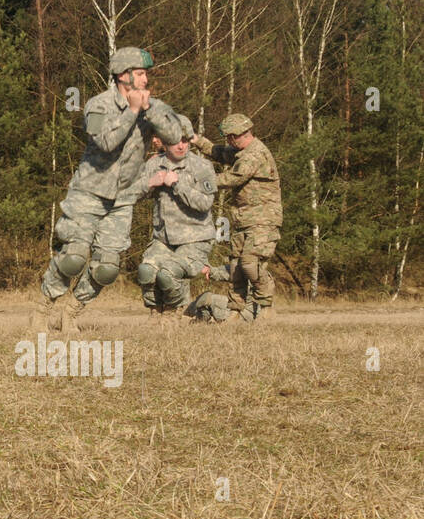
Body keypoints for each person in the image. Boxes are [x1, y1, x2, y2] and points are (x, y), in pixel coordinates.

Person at [31, 47, 182, 338]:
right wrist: (134, 111)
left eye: (145, 73)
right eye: (140, 73)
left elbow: (175, 137)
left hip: (123, 198)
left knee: (107, 268)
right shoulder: (96, 106)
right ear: (123, 76)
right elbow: (105, 143)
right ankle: (43, 308)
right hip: (88, 193)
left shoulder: (154, 106)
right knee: (74, 257)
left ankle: (72, 311)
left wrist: (149, 111)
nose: (145, 78)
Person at [191, 113, 282, 321]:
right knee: (235, 268)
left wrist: (198, 182)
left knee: (250, 264)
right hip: (243, 219)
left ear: (242, 134)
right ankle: (235, 310)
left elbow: (233, 178)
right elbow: (220, 152)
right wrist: (197, 141)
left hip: (263, 220)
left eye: (231, 138)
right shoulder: (242, 151)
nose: (229, 142)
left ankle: (266, 307)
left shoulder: (255, 154)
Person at [136, 114, 216, 317]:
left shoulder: (202, 167)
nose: (181, 146)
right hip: (164, 239)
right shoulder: (154, 164)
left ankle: (175, 312)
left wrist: (177, 184)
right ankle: (156, 313)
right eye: (174, 141)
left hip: (195, 239)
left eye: (185, 140)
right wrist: (149, 184)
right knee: (146, 271)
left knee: (168, 274)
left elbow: (205, 203)